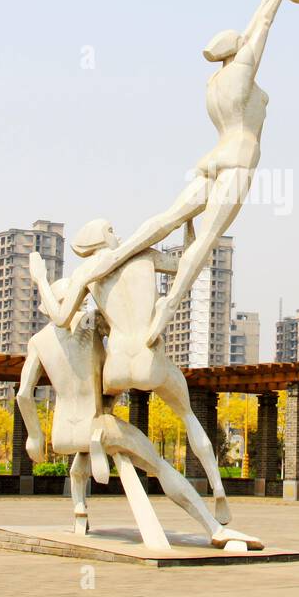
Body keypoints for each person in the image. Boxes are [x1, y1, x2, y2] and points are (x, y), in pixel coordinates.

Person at [50, 0, 299, 348]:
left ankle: (116, 257)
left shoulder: (213, 84)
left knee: (168, 219)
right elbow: (263, 21)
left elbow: (251, 30)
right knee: (206, 241)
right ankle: (168, 309)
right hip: (236, 162)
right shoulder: (240, 72)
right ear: (239, 49)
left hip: (211, 158)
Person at [14, 273, 260, 549]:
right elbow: (128, 341)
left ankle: (80, 509)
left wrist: (34, 436)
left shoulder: (38, 341)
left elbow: (24, 394)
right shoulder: (90, 325)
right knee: (159, 464)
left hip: (62, 434)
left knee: (78, 464)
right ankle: (214, 527)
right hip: (97, 425)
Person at [30, 218, 233, 523]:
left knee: (100, 411)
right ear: (99, 237)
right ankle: (217, 488)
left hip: (117, 365)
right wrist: (190, 227)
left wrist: (41, 280)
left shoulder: (86, 273)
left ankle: (88, 470)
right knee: (187, 413)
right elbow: (189, 263)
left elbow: (59, 317)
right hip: (148, 356)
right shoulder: (142, 254)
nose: (118, 234)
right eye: (111, 230)